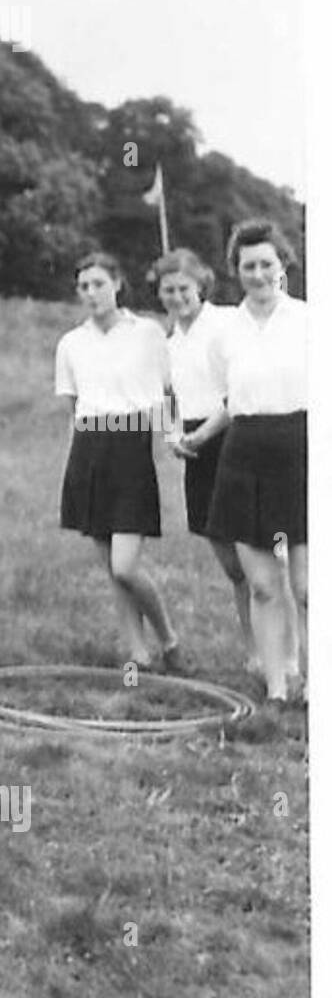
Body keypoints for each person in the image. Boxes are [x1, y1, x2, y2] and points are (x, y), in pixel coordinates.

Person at [152, 248, 298, 677]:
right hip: (197, 446)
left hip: (236, 438)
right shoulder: (169, 341)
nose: (177, 297)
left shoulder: (225, 325)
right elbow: (164, 396)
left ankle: (287, 657)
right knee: (233, 563)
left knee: (268, 559)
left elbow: (236, 394)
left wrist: (204, 432)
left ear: (201, 286)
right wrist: (170, 433)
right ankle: (253, 648)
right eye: (168, 291)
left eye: (184, 288)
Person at [55, 251, 187, 672]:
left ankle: (168, 640)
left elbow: (166, 393)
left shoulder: (147, 333)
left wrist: (169, 435)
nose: (91, 293)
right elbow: (75, 406)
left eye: (98, 284)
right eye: (83, 287)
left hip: (131, 446)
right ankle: (137, 653)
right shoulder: (71, 343)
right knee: (109, 565)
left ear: (117, 284)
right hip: (90, 449)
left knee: (126, 566)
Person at [197, 220, 307, 718]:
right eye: (248, 265)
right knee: (261, 583)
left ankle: (314, 681)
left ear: (283, 265)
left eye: (267, 263)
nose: (258, 273)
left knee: (308, 586)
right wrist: (199, 438)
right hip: (244, 453)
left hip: (302, 448)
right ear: (235, 271)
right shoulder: (224, 329)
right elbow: (228, 400)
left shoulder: (310, 320)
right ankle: (277, 689)